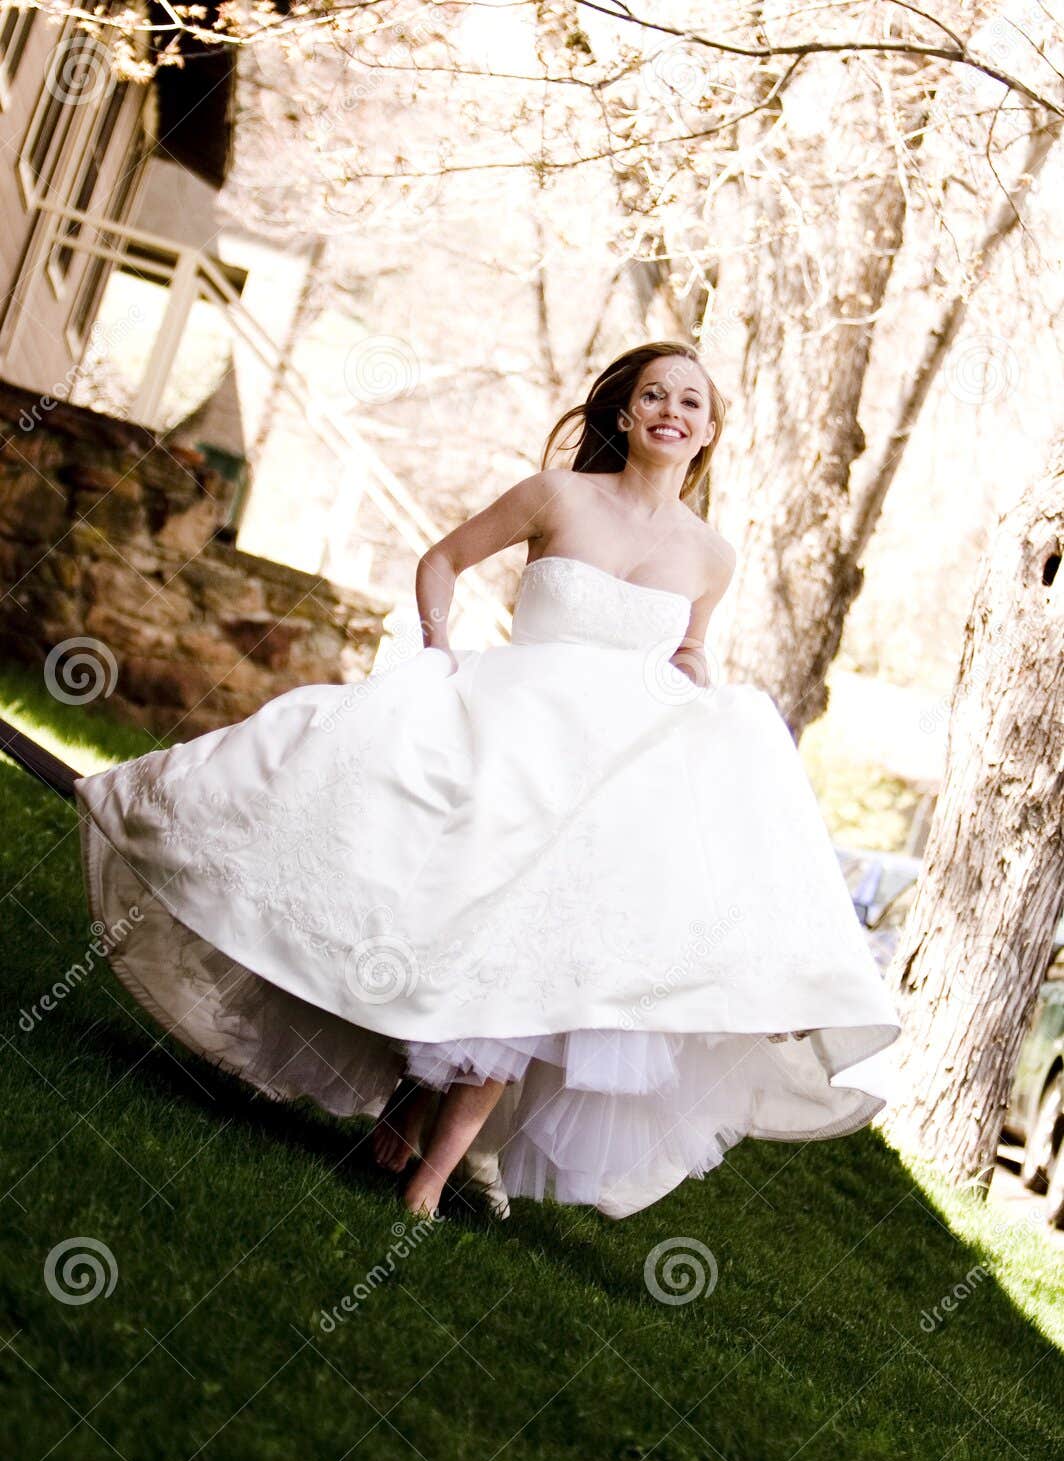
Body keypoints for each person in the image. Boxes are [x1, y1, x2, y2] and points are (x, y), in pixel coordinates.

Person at [73, 339, 901, 1223]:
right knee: (433, 899)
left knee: (538, 945)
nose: (672, 410)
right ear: (624, 416)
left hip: (610, 768)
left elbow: (687, 648)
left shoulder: (712, 555)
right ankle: (406, 1094)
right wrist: (439, 653)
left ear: (708, 432)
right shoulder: (557, 496)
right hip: (509, 720)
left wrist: (694, 679)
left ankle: (436, 1170)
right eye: (654, 395)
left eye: (692, 403)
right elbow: (442, 558)